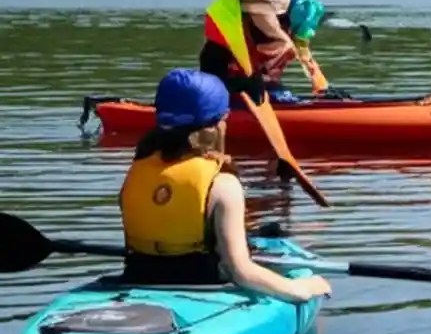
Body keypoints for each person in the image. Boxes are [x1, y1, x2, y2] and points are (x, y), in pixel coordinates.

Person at [117, 68, 332, 302]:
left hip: (136, 279)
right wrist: (303, 288)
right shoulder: (222, 184)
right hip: (202, 290)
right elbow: (241, 273)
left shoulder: (136, 172)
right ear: (216, 126)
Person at [288, 0, 329, 94]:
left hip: (300, 33)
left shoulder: (301, 2)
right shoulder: (313, 3)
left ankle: (320, 87)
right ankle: (321, 86)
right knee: (307, 59)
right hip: (306, 33)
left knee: (306, 60)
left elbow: (297, 16)